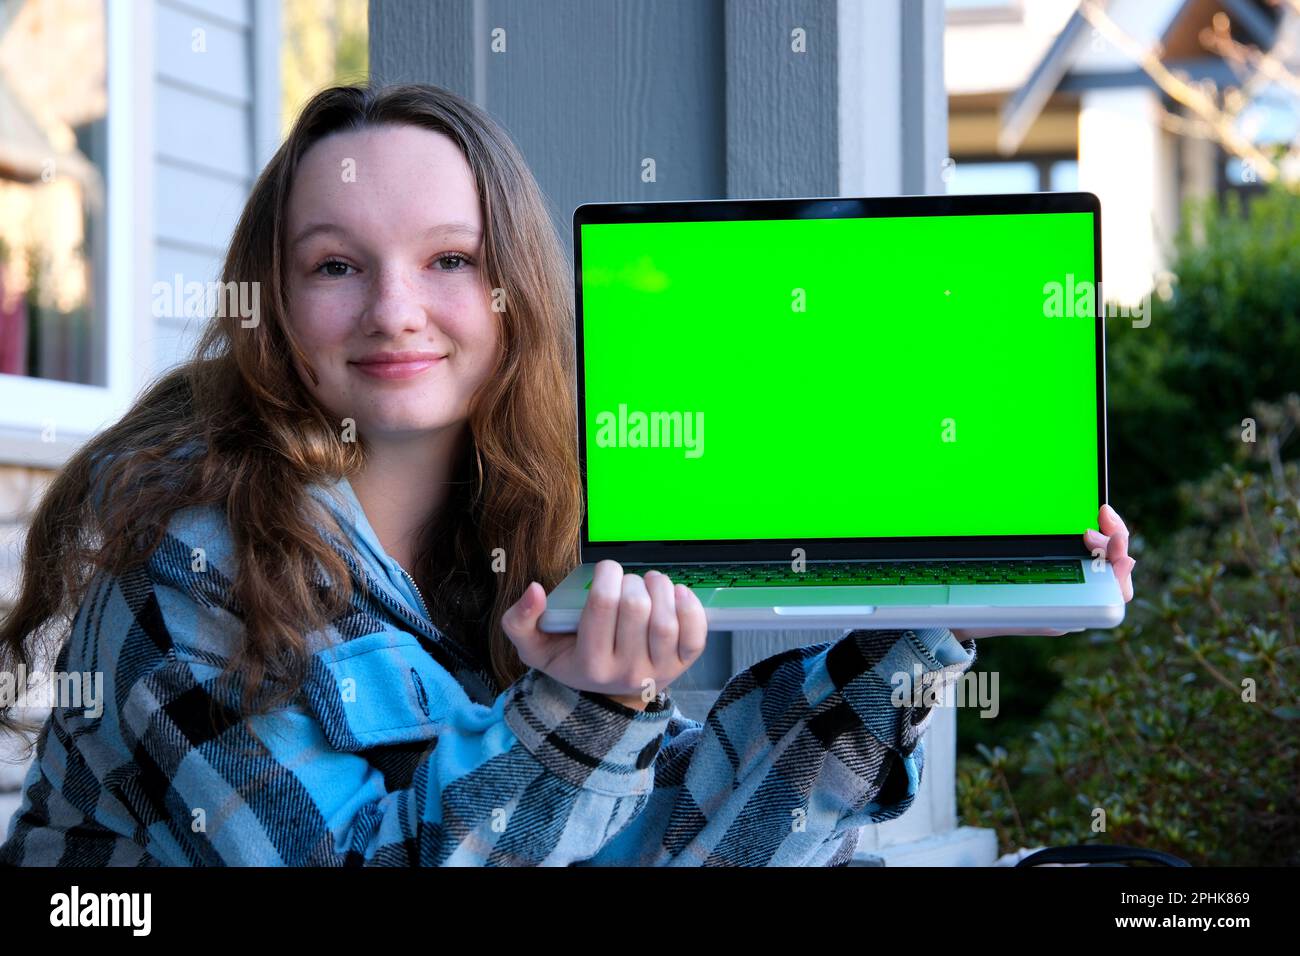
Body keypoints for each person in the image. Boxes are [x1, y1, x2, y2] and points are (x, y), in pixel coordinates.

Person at [0, 83, 1136, 866]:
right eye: (336, 264)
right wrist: (586, 709)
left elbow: (669, 834)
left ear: (517, 295)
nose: (396, 308)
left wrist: (931, 616)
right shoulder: (186, 563)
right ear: (276, 306)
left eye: (451, 259)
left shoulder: (526, 533)